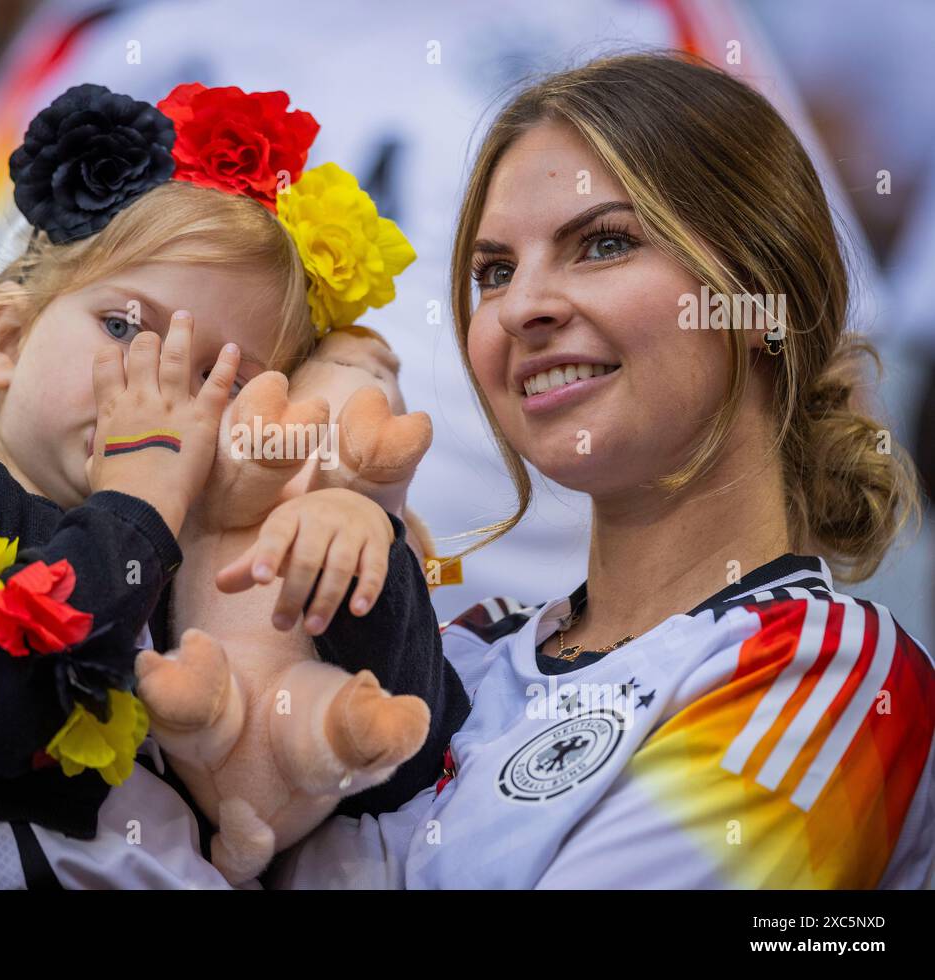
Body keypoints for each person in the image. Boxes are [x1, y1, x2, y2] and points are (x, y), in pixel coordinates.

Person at [269, 53, 935, 889]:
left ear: (759, 298)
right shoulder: (464, 650)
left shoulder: (832, 673)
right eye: (495, 271)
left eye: (604, 244)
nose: (520, 307)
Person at [0, 80, 468, 889]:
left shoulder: (209, 562)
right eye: (123, 327)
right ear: (8, 338)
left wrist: (361, 544)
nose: (165, 383)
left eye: (223, 374)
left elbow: (409, 770)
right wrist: (136, 506)